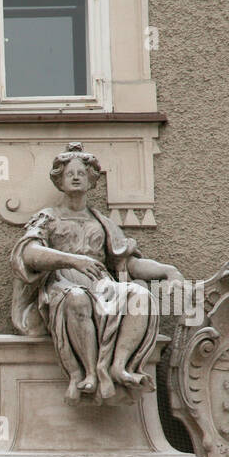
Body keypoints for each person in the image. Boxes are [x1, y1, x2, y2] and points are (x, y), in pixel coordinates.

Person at [11, 143, 183, 403]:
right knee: (77, 298)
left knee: (140, 295)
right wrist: (73, 260)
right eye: (70, 173)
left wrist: (168, 271)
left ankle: (119, 366)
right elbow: (30, 254)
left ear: (91, 180)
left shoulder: (101, 222)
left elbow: (130, 263)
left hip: (101, 286)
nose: (76, 177)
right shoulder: (48, 217)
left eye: (81, 173)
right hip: (63, 284)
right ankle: (87, 374)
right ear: (60, 180)